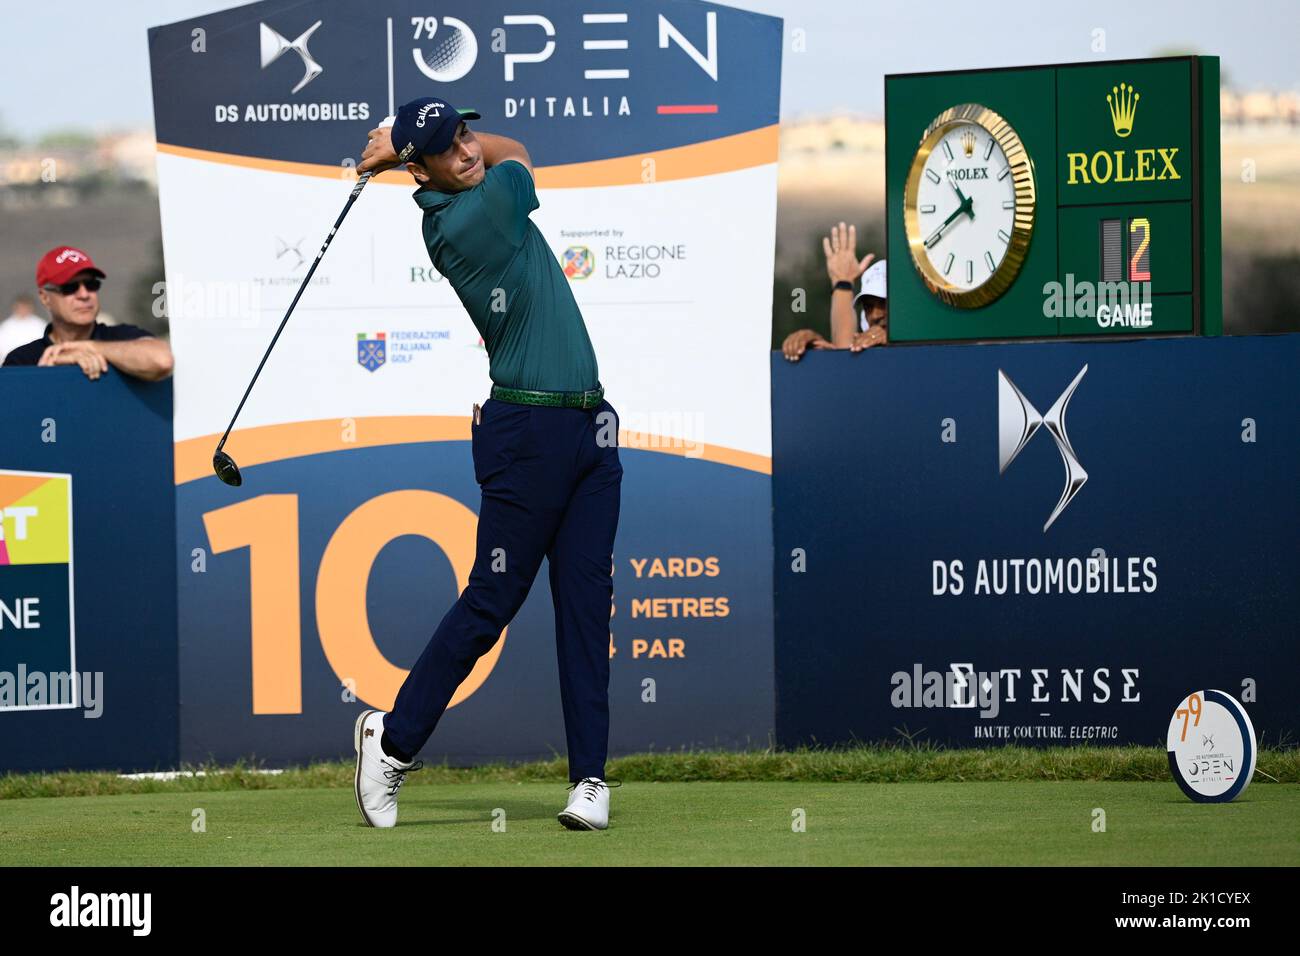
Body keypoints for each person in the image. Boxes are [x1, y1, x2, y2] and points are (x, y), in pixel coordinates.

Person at [350, 98, 622, 830]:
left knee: (585, 610)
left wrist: (396, 151)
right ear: (421, 170)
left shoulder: (463, 192)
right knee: (492, 603)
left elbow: (497, 149)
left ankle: (590, 781)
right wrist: (394, 154)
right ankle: (392, 740)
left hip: (589, 431)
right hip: (527, 433)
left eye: (465, 132)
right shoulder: (477, 216)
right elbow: (519, 149)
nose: (468, 149)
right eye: (447, 145)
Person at [2, 247, 173, 381]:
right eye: (70, 287)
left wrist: (89, 348)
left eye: (91, 284)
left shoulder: (121, 337)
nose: (84, 295)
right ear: (45, 298)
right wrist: (50, 374)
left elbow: (162, 360)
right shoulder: (23, 360)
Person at [781, 222, 888, 361]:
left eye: (884, 303)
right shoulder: (862, 348)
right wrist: (813, 343)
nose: (875, 315)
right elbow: (845, 350)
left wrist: (892, 339)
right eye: (868, 306)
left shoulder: (923, 340)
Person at [0, 294, 45, 364]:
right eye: (20, 307)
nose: (23, 309)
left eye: (26, 307)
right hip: (10, 364)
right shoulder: (5, 327)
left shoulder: (40, 325)